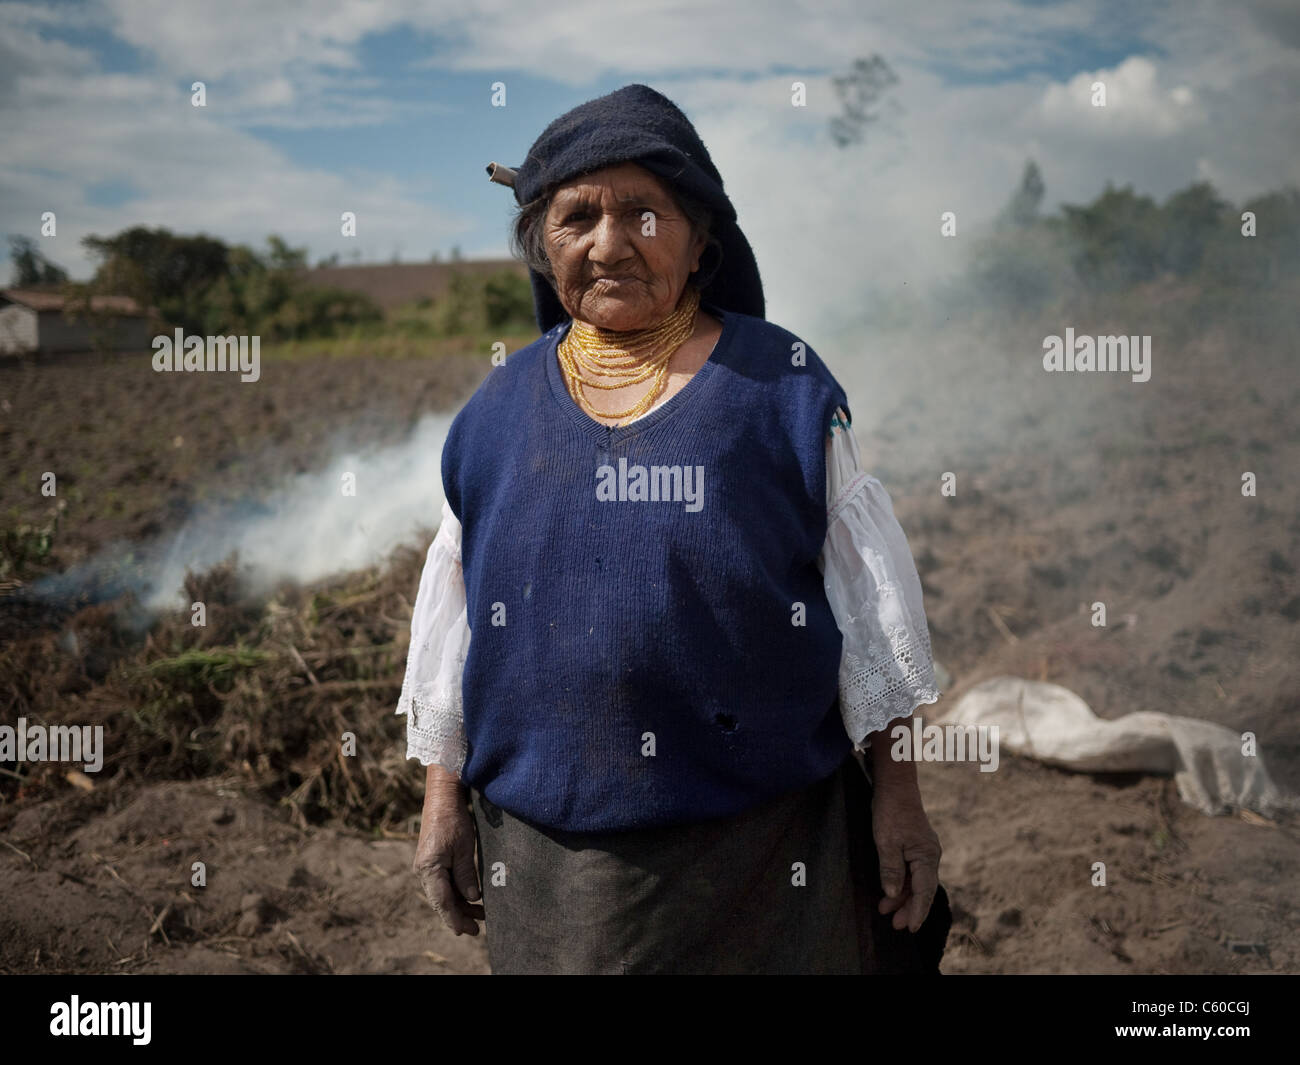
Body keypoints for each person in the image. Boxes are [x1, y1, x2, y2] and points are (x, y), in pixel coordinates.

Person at [396, 83, 950, 973]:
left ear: (700, 244)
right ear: (542, 246)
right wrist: (441, 803)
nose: (610, 244)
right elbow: (457, 633)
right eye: (576, 217)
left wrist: (899, 798)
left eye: (645, 215)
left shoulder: (783, 390)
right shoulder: (492, 414)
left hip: (764, 854)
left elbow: (872, 616)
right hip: (553, 869)